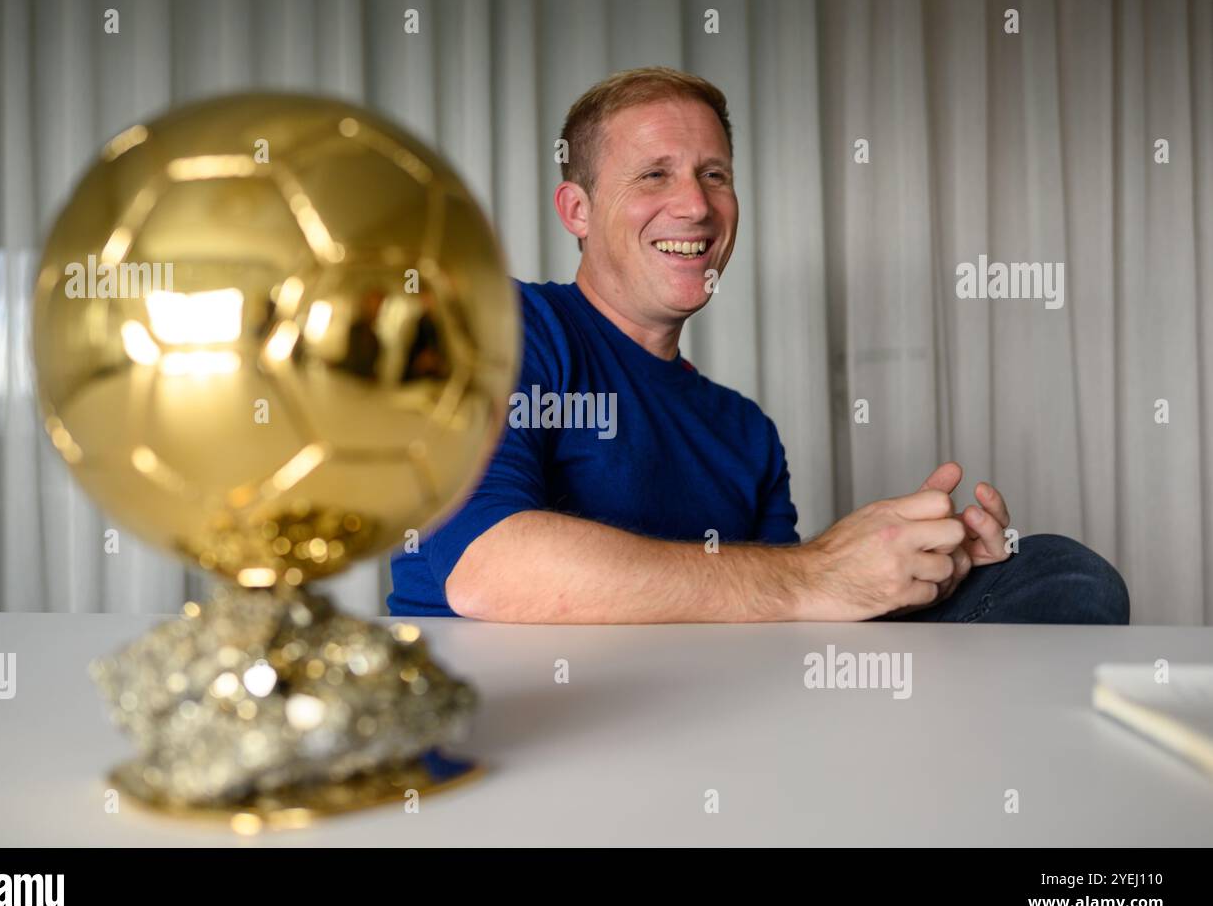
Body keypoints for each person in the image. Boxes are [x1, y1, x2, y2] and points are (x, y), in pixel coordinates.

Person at [388, 66, 1129, 626]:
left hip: (706, 729)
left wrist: (917, 574)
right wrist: (816, 575)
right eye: (655, 174)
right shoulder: (499, 326)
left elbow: (780, 615)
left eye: (715, 175)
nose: (695, 204)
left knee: (1056, 574)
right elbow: (482, 569)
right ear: (576, 209)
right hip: (515, 739)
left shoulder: (745, 432)